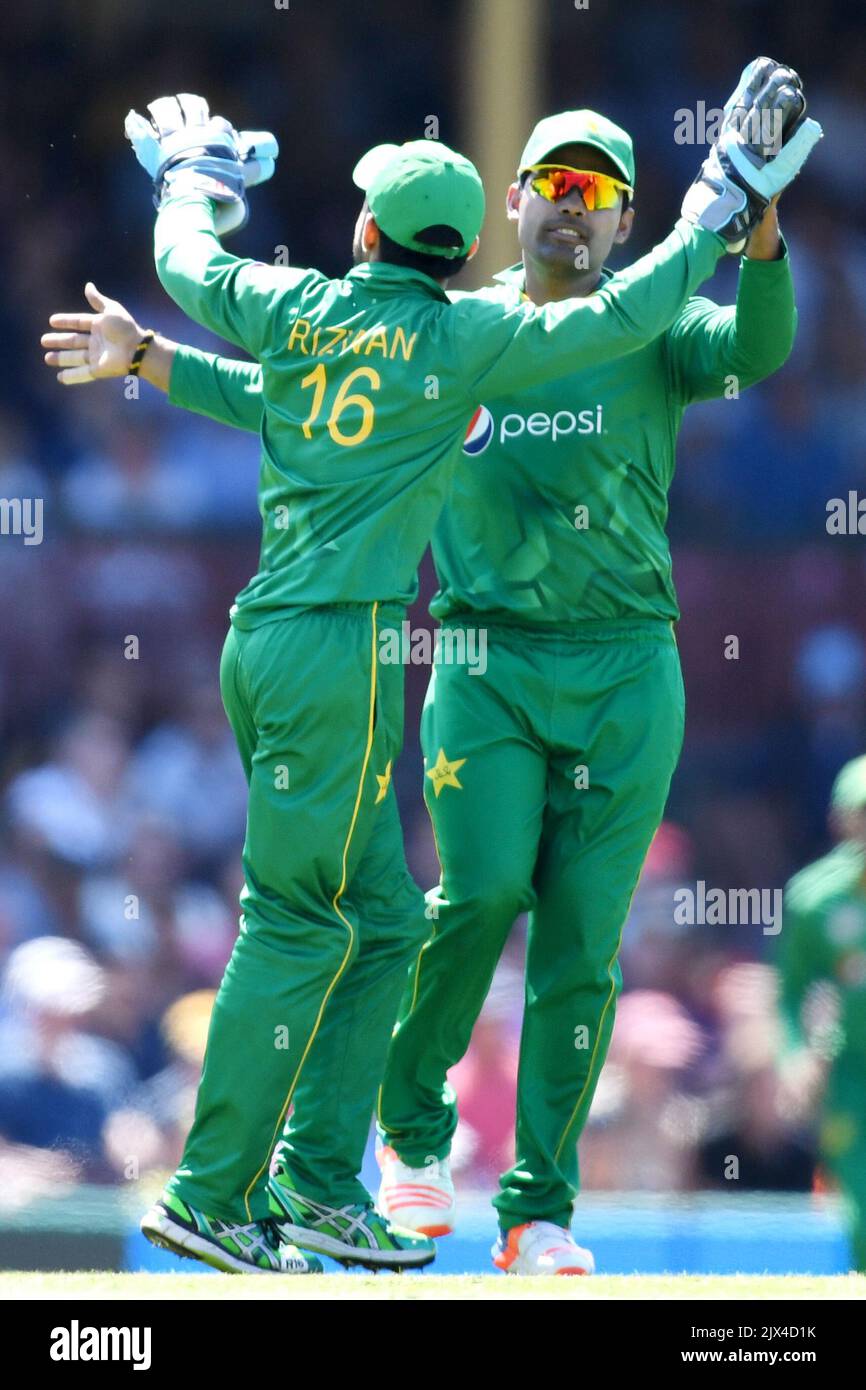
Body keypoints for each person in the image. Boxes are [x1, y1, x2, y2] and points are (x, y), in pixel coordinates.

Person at [43, 65, 817, 1274]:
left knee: (490, 935)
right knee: (416, 906)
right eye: (553, 185)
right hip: (450, 653)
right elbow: (331, 389)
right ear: (505, 207)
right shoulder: (475, 332)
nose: (573, 207)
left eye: (597, 191)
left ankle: (448, 1199)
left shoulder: (387, 315)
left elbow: (752, 345)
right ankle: (314, 1167)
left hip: (575, 661)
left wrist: (172, 256)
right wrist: (715, 201)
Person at [777, 756, 866, 1273]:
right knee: (858, 1199)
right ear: (842, 820)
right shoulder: (816, 899)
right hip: (851, 1074)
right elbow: (789, 993)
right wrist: (793, 1056)